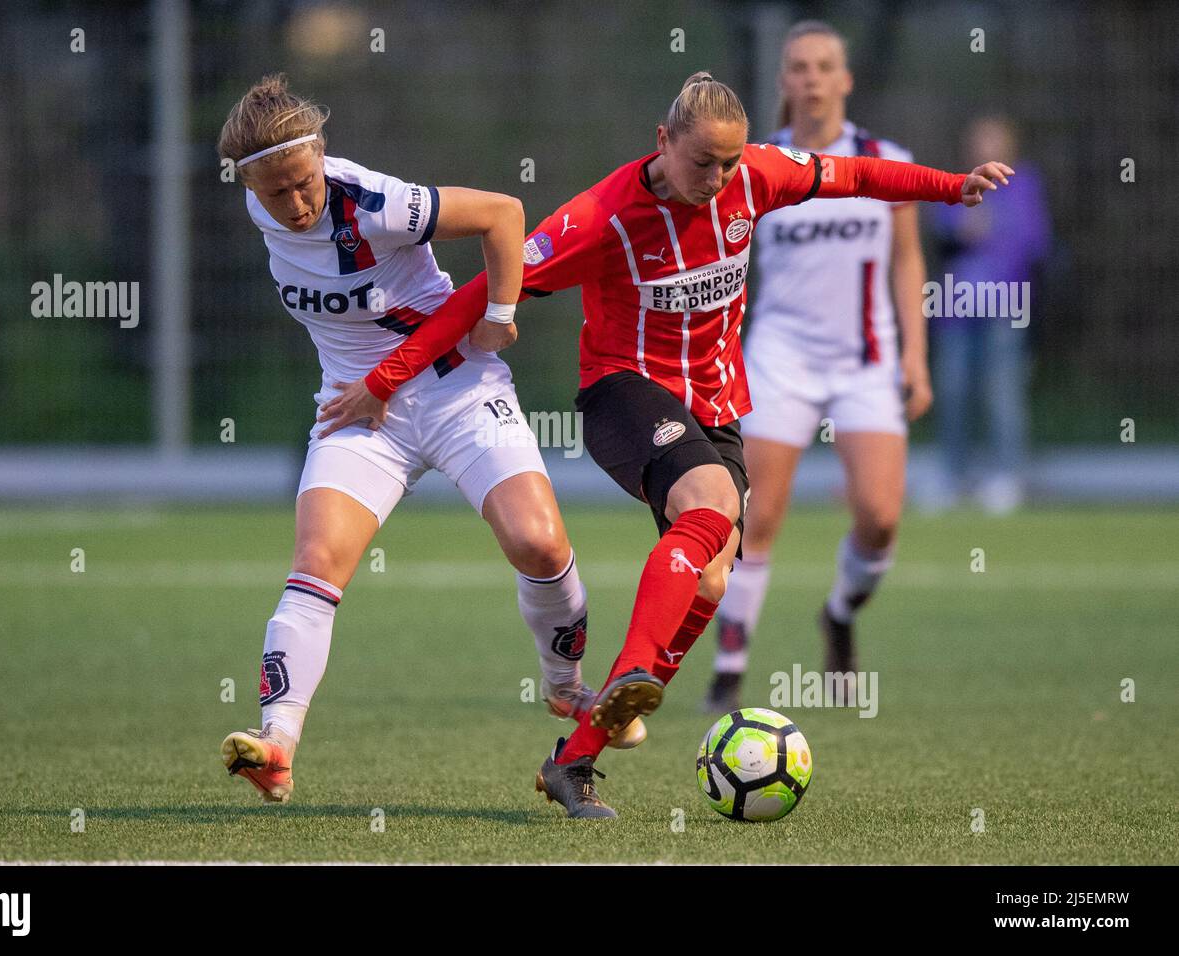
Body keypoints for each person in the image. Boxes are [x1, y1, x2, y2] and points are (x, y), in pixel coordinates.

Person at [318, 72, 1011, 818]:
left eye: (731, 163)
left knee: (708, 584)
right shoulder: (603, 216)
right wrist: (386, 379)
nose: (718, 179)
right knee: (713, 503)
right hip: (623, 393)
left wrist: (951, 185)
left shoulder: (758, 178)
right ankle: (633, 672)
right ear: (662, 141)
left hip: (714, 406)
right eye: (703, 162)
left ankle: (574, 760)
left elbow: (854, 174)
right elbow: (471, 293)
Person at [215, 75, 642, 804]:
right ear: (249, 184)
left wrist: (501, 311)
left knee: (539, 543)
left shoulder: (371, 202)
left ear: (322, 154)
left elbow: (505, 215)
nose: (295, 203)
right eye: (275, 192)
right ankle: (276, 743)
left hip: (455, 388)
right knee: (317, 562)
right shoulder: (263, 202)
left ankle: (567, 688)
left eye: (303, 182)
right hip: (358, 411)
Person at [704, 20, 933, 713]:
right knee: (757, 516)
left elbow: (906, 260)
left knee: (880, 517)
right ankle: (731, 666)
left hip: (866, 359)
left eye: (823, 66)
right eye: (797, 67)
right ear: (783, 82)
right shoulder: (754, 164)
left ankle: (838, 615)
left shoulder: (884, 158)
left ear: (845, 79)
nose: (810, 78)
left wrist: (915, 359)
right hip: (780, 357)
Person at [929, 115, 1050, 514]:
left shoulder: (1024, 186)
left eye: (994, 140)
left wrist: (990, 229)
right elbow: (939, 230)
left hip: (1005, 306)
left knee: (1002, 393)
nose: (986, 148)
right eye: (980, 140)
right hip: (954, 308)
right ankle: (954, 475)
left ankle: (1008, 476)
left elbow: (1036, 242)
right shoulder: (959, 182)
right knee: (954, 391)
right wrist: (961, 232)